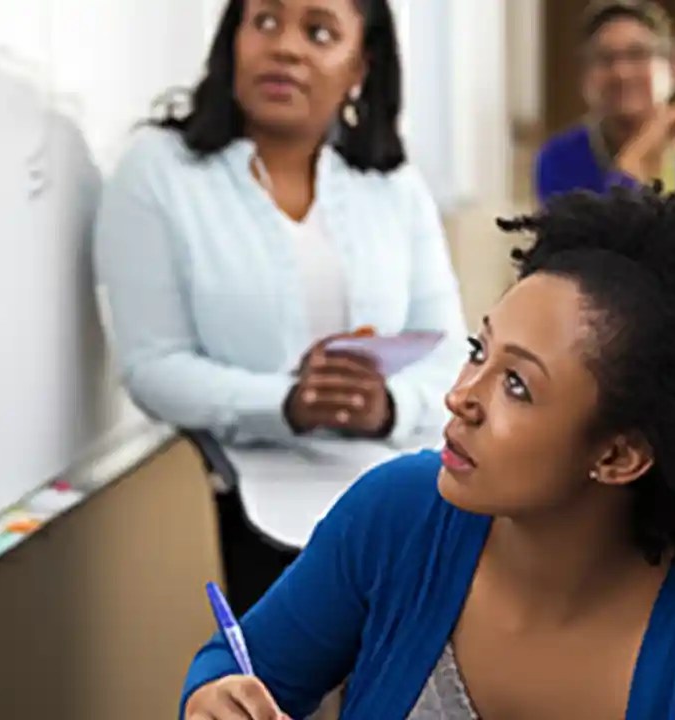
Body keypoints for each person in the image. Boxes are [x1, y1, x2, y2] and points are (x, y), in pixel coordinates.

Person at [179, 186, 675, 720]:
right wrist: (216, 698)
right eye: (477, 351)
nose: (460, 396)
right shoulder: (398, 514)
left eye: (517, 385)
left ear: (618, 455)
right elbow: (240, 667)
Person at [93, 0, 465, 617]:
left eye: (319, 32)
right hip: (254, 508)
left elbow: (449, 352)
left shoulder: (393, 184)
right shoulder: (158, 171)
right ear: (233, 39)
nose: (285, 47)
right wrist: (286, 402)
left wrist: (386, 405)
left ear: (360, 66)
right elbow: (153, 366)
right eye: (264, 21)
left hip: (398, 497)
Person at [535, 0, 675, 204]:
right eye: (605, 58)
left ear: (673, 67)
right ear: (584, 75)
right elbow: (593, 240)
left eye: (637, 54)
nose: (621, 72)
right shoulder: (559, 158)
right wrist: (645, 144)